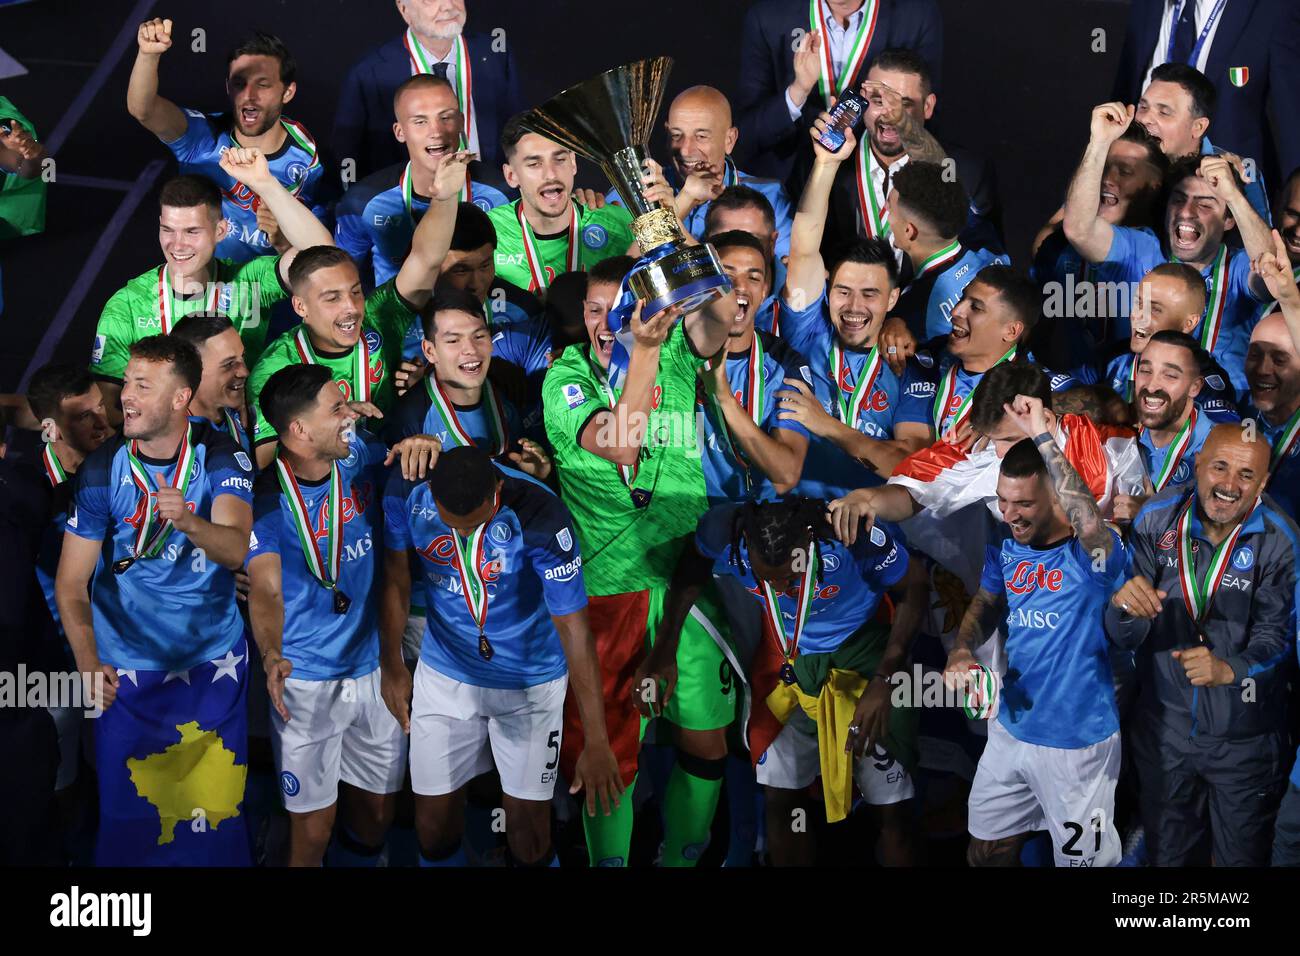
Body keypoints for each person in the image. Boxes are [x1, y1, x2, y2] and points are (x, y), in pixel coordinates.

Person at [541, 252, 739, 866]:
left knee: (706, 742)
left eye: (621, 308)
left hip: (687, 580)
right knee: (606, 758)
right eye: (596, 310)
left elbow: (723, 317)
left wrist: (670, 237)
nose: (608, 322)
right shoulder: (564, 379)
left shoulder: (679, 353)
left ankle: (679, 859)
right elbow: (623, 446)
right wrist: (643, 350)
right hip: (605, 591)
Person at [55, 336, 255, 865]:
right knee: (132, 820)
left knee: (214, 814)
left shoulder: (220, 456)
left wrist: (189, 520)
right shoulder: (102, 471)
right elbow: (71, 584)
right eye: (126, 384)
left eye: (143, 386)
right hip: (128, 674)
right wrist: (85, 662)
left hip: (214, 666)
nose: (126, 397)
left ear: (180, 399)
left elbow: (236, 550)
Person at [380, 444, 623, 867]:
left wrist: (597, 741)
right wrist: (391, 664)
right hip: (445, 675)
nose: (462, 537)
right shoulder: (405, 489)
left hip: (529, 684)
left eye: (473, 527)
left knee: (528, 838)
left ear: (497, 490)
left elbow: (575, 631)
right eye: (450, 525)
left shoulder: (543, 519)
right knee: (433, 831)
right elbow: (397, 579)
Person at [246, 364, 436, 867]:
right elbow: (264, 590)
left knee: (375, 817)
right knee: (313, 831)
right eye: (336, 409)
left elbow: (411, 458)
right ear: (299, 431)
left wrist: (421, 445)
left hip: (373, 669)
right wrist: (270, 654)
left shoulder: (360, 456)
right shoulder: (265, 499)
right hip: (304, 683)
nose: (349, 415)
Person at [667, 496, 927, 865]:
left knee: (891, 806)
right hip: (792, 661)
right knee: (782, 795)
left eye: (790, 578)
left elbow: (915, 586)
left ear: (808, 543)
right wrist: (663, 651)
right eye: (766, 579)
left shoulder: (850, 534)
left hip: (867, 655)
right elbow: (692, 568)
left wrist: (886, 678)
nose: (779, 588)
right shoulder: (725, 531)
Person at [1106, 424, 1298, 866]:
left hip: (1244, 740)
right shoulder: (1156, 517)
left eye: (1246, 475)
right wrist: (1122, 609)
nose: (1230, 485)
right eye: (1220, 467)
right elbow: (1122, 636)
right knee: (1170, 859)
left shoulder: (1282, 540)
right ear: (1197, 466)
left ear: (1263, 483)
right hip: (1164, 733)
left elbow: (1281, 641)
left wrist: (1229, 670)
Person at [945, 415, 1127, 867]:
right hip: (1012, 726)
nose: (1009, 515)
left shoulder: (1095, 556)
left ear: (1056, 497)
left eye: (1023, 503)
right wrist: (962, 649)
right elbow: (986, 604)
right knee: (986, 850)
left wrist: (1044, 437)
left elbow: (1088, 523)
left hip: (1078, 742)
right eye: (1004, 502)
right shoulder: (1006, 548)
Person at [247, 150, 468, 467]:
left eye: (354, 292)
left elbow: (426, 260)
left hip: (390, 469)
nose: (351, 308)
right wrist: (337, 422)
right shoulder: (274, 369)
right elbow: (268, 463)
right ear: (300, 306)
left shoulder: (378, 318)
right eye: (332, 298)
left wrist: (445, 199)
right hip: (328, 500)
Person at [92, 149, 333, 422]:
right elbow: (109, 406)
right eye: (168, 230)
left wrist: (265, 183)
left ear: (221, 231)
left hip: (240, 439)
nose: (178, 244)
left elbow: (323, 256)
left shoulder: (249, 283)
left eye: (192, 231)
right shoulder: (127, 306)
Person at [772, 122, 934, 499]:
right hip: (793, 512)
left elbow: (908, 464)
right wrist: (827, 164)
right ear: (827, 289)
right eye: (842, 291)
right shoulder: (807, 331)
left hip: (870, 523)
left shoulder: (910, 365)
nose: (854, 307)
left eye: (870, 294)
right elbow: (805, 246)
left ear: (893, 299)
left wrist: (824, 425)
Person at [1064, 103, 1275, 388]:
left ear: (1228, 221)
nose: (1186, 212)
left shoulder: (1238, 268)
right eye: (1179, 199)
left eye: (1205, 204)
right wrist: (1099, 143)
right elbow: (1079, 229)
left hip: (1220, 419)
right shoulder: (1143, 248)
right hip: (1138, 402)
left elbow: (1273, 273)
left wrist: (1234, 197)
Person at [128, 21, 329, 262]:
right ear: (227, 87)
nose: (248, 96)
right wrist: (148, 55)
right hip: (201, 282)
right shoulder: (202, 139)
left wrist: (282, 243)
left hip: (266, 290)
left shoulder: (307, 162)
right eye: (239, 84)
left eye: (262, 85)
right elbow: (144, 110)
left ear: (288, 92)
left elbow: (321, 254)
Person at [806, 50, 1002, 263]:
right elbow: (807, 252)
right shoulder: (826, 160)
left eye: (904, 105)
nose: (890, 115)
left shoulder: (967, 173)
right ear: (863, 100)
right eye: (878, 101)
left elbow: (989, 261)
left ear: (928, 106)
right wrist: (825, 164)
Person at [23, 365, 113, 808]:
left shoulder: (122, 466)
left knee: (114, 770)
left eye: (102, 408)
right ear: (50, 428)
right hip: (49, 663)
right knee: (58, 782)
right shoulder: (22, 488)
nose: (104, 423)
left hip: (114, 651)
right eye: (85, 416)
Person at [735, 0, 943, 183]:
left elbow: (926, 119)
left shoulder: (916, 14)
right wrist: (797, 92)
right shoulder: (768, 16)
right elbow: (745, 135)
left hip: (874, 185)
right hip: (787, 186)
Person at [334, 74, 509, 288]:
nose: (436, 132)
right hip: (401, 318)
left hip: (481, 318)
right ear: (400, 132)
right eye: (420, 121)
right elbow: (341, 280)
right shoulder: (363, 202)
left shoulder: (503, 194)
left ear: (461, 122)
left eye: (446, 118)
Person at [1111, 0, 1300, 186]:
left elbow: (1292, 117)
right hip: (1137, 182)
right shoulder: (1146, 5)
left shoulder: (1275, 8)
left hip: (1222, 190)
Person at [333, 0, 522, 179]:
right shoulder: (369, 72)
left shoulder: (494, 54)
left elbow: (517, 132)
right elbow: (348, 154)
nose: (448, 6)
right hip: (409, 206)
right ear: (404, 8)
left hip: (487, 200)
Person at [384, 286, 547, 480]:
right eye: (453, 341)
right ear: (430, 351)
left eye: (479, 336)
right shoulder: (409, 418)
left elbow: (519, 466)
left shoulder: (511, 384)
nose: (470, 349)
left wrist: (537, 476)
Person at [696, 230, 812, 503]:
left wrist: (722, 395)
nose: (739, 286)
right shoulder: (676, 351)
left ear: (764, 292)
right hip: (683, 520)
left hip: (756, 525)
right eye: (727, 274)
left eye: (753, 277)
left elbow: (786, 475)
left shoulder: (785, 365)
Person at [488, 116, 636, 296]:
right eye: (534, 164)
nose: (550, 174)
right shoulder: (490, 231)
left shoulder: (618, 223)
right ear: (511, 175)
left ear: (573, 163)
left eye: (559, 160)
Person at [1083, 263, 1240, 426]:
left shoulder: (1206, 382)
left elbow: (1227, 438)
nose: (1138, 316)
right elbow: (1061, 387)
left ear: (1189, 323)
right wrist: (1102, 401)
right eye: (1138, 303)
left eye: (1155, 309)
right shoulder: (1114, 358)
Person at [652, 87, 793, 264]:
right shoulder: (646, 191)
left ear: (729, 140)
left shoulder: (770, 198)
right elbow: (624, 273)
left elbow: (779, 280)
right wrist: (685, 199)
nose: (686, 150)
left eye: (701, 136)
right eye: (676, 135)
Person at [887, 160, 1008, 340]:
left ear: (908, 231)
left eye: (889, 210)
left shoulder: (908, 314)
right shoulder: (987, 241)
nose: (888, 219)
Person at [1132, 63, 1270, 220]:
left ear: (1198, 127)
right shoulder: (1117, 158)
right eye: (1143, 107)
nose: (1145, 119)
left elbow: (1263, 244)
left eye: (1164, 112)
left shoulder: (1242, 171)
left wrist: (1234, 197)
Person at [1116, 330, 1220, 525]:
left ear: (1194, 387)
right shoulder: (1119, 432)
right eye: (1146, 371)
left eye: (1170, 375)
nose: (1152, 385)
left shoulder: (1217, 452)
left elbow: (1225, 535)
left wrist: (1155, 516)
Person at [704, 186, 786, 333]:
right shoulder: (685, 297)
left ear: (772, 243)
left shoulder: (797, 291)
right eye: (724, 238)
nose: (738, 249)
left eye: (752, 239)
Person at [171, 313, 255, 455]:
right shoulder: (166, 440)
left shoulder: (248, 416)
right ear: (191, 372)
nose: (244, 372)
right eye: (229, 364)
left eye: (243, 357)